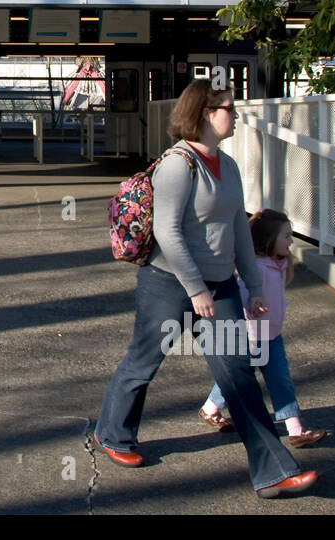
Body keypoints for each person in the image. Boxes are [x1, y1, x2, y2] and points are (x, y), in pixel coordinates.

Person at [93, 78, 317, 498]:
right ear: (203, 115)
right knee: (143, 362)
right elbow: (168, 232)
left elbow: (237, 229)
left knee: (238, 374)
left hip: (220, 287)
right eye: (228, 108)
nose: (235, 114)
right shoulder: (178, 165)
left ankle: (274, 473)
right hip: (168, 284)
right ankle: (114, 435)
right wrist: (195, 289)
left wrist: (255, 286)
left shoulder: (227, 165)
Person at [198, 209, 329, 447]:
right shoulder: (255, 268)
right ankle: (210, 408)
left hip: (272, 335)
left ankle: (295, 430)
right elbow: (240, 294)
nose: (291, 241)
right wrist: (251, 304)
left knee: (279, 380)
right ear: (268, 240)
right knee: (240, 378)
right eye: (286, 236)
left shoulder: (277, 264)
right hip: (252, 336)